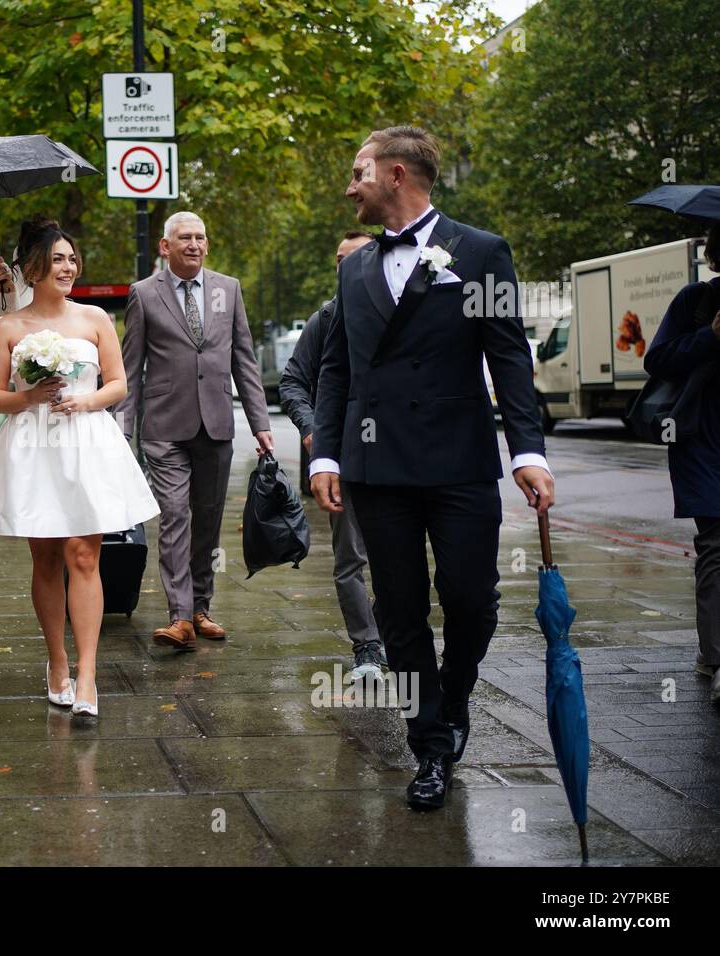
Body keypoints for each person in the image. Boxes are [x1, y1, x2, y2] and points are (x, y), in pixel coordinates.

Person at [310, 126, 555, 811]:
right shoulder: (352, 269)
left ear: (395, 175)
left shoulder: (480, 253)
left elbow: (509, 356)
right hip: (376, 467)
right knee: (401, 612)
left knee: (473, 598)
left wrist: (528, 453)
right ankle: (431, 744)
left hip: (460, 461)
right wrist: (326, 453)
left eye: (357, 172)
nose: (347, 185)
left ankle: (453, 692)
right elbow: (338, 369)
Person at [0, 218, 160, 717]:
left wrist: (88, 401)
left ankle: (89, 674)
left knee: (84, 556)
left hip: (85, 442)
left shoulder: (94, 318)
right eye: (57, 259)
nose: (68, 266)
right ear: (32, 268)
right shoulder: (7, 328)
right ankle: (57, 664)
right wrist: (28, 395)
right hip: (32, 447)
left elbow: (118, 384)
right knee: (46, 559)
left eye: (72, 258)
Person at [113, 211, 274, 651]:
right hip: (164, 428)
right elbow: (131, 369)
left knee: (208, 520)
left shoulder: (229, 289)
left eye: (201, 237)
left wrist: (260, 423)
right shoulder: (144, 295)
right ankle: (179, 616)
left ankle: (201, 606)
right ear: (165, 246)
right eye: (185, 238)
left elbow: (245, 360)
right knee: (175, 516)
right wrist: (121, 433)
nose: (195, 245)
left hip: (217, 424)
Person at [280, 230, 387, 680]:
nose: (347, 265)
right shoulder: (325, 318)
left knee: (397, 555)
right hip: (341, 456)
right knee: (351, 556)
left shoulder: (398, 310)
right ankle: (367, 646)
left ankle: (392, 634)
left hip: (397, 454)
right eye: (340, 259)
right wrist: (312, 430)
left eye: (357, 256)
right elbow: (292, 383)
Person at [643, 223, 720, 705]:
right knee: (715, 544)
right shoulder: (696, 301)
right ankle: (717, 659)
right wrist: (709, 336)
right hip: (703, 440)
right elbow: (658, 360)